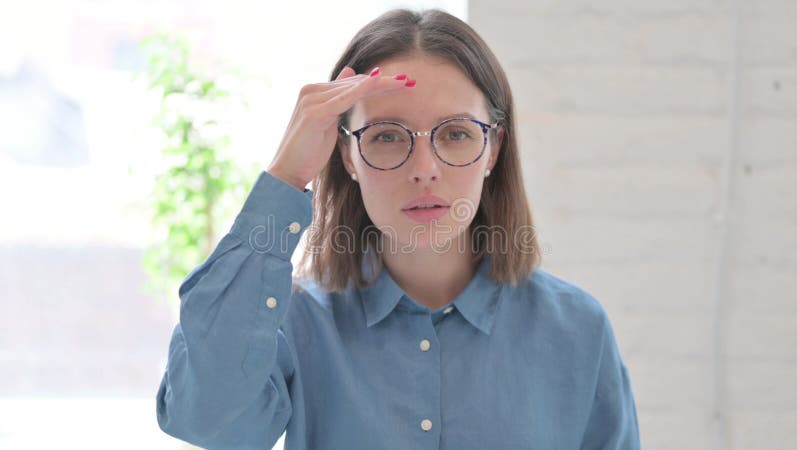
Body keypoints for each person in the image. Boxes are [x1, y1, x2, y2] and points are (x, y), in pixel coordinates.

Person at [155, 8, 641, 450]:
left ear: (493, 149)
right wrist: (285, 178)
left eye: (455, 134)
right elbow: (206, 421)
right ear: (346, 155)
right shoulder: (295, 322)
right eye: (387, 136)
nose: (424, 168)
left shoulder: (577, 330)